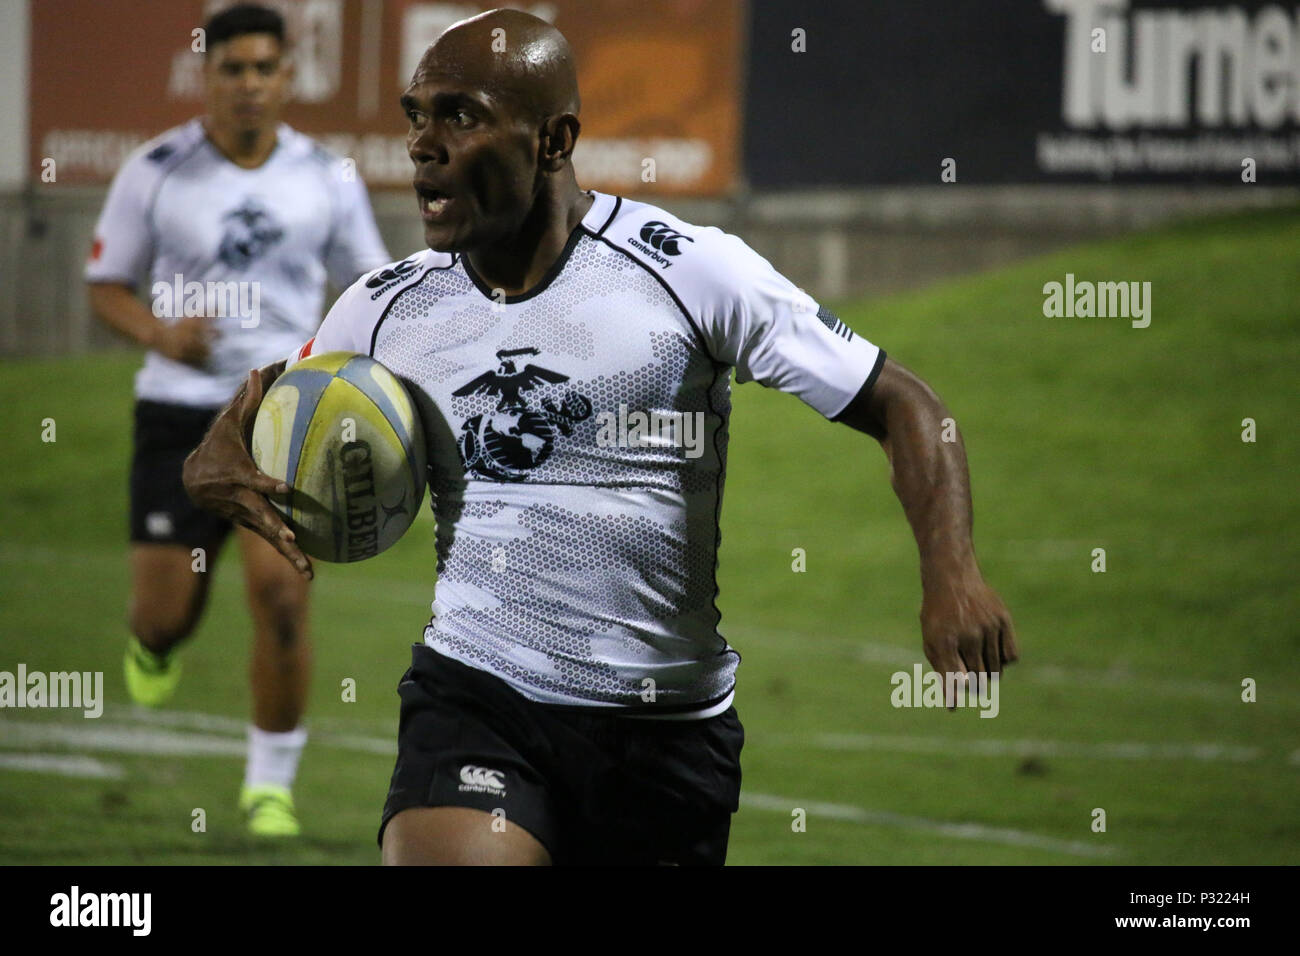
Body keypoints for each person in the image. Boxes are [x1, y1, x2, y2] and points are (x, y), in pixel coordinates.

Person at [184, 8, 1017, 865]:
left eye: (460, 115)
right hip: (477, 693)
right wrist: (211, 461)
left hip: (665, 734)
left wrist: (952, 572)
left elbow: (907, 404)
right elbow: (261, 411)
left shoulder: (689, 270)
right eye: (414, 116)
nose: (422, 145)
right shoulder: (387, 306)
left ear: (554, 140)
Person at [85, 3, 390, 837]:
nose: (250, 84)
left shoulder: (328, 177)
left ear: (288, 76)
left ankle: (270, 790)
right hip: (177, 415)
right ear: (207, 75)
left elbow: (369, 286)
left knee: (282, 597)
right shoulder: (155, 170)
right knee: (163, 614)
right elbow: (104, 284)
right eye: (233, 69)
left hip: (280, 420)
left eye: (265, 68)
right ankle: (152, 644)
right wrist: (159, 332)